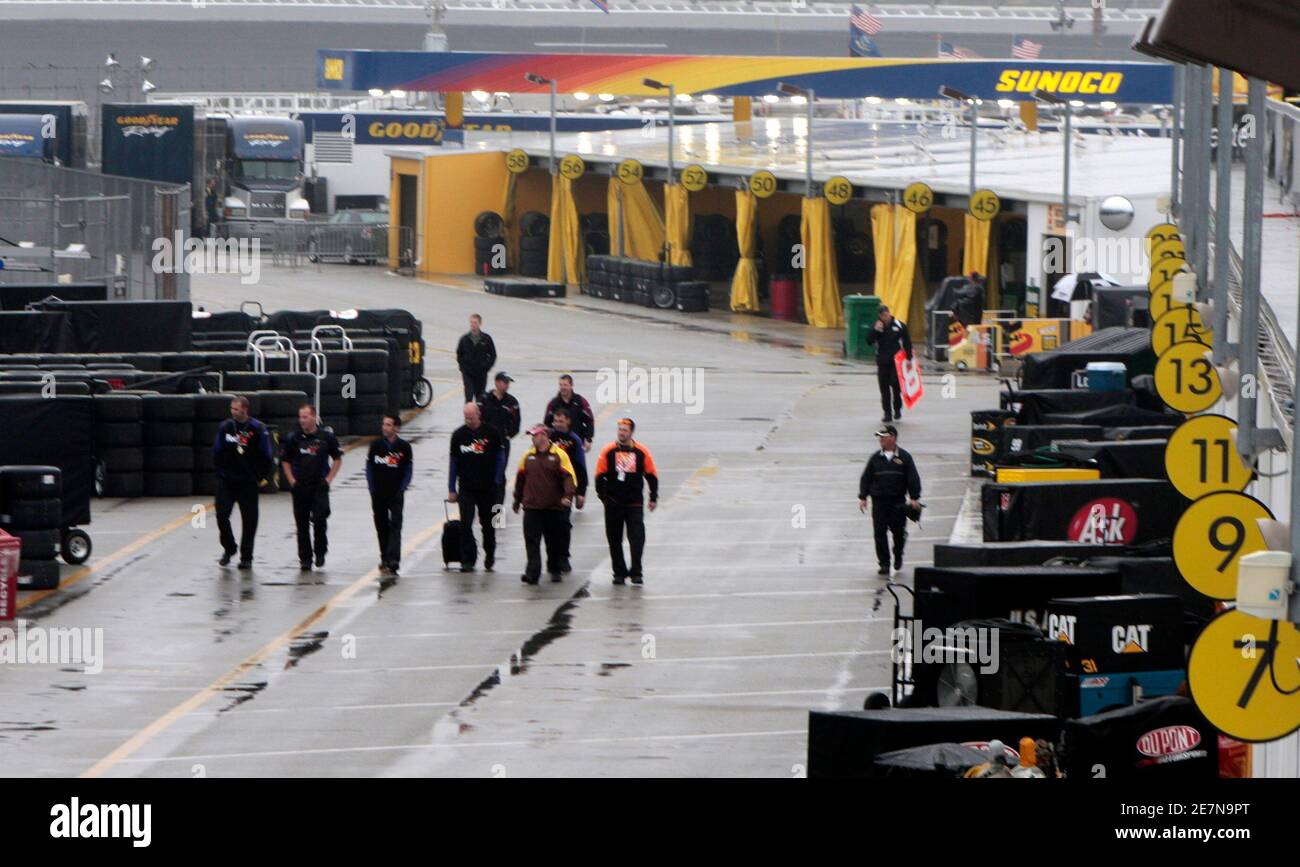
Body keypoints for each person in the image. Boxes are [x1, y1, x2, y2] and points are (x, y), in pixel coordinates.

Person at [594, 418, 659, 585]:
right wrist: (604, 497)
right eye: (620, 429)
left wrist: (653, 496)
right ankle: (619, 572)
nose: (621, 433)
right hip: (613, 503)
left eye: (624, 430)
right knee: (614, 539)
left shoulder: (641, 451)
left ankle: (636, 571)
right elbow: (599, 475)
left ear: (631, 432)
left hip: (634, 503)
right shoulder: (608, 451)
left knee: (637, 538)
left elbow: (651, 474)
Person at [212, 395, 274, 569]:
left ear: (245, 410)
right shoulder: (226, 427)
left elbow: (267, 455)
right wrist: (220, 472)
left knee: (249, 520)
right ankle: (229, 547)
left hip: (248, 482)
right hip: (227, 480)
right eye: (232, 409)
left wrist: (261, 476)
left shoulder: (257, 428)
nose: (233, 412)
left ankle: (247, 556)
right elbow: (217, 451)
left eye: (236, 409)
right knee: (221, 515)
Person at [280, 404, 343, 571]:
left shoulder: (326, 437)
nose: (302, 420)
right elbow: (285, 460)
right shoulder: (294, 438)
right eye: (300, 417)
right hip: (300, 486)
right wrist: (291, 480)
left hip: (319, 486)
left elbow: (337, 459)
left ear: (314, 417)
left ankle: (320, 551)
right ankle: (305, 559)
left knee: (320, 519)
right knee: (301, 525)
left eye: (305, 417)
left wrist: (329, 479)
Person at [512, 425, 576, 585]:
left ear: (545, 436)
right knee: (531, 542)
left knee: (553, 541)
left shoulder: (559, 455)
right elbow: (520, 480)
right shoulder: (528, 456)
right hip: (532, 507)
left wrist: (568, 496)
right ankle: (532, 573)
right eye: (532, 436)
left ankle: (554, 569)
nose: (533, 439)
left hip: (553, 507)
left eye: (535, 435)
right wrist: (517, 500)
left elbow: (569, 478)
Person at [448, 402, 506, 573]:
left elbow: (500, 457)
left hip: (487, 487)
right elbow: (453, 462)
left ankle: (489, 552)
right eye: (466, 418)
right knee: (465, 524)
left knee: (488, 524)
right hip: (466, 487)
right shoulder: (458, 435)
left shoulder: (492, 433)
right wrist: (452, 488)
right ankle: (468, 559)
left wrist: (497, 479)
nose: (469, 421)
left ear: (478, 415)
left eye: (471, 418)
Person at [858, 424, 922, 577]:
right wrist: (863, 497)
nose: (881, 440)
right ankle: (884, 564)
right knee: (879, 533)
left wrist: (914, 498)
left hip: (897, 502)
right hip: (879, 502)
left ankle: (898, 554)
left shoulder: (904, 457)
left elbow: (913, 478)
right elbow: (866, 478)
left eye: (884, 437)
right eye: (880, 438)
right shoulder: (875, 458)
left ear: (893, 438)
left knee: (898, 533)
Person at [366, 414, 414, 575]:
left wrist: (402, 487)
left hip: (396, 493)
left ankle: (394, 559)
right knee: (381, 526)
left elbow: (408, 469)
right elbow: (369, 468)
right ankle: (384, 556)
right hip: (378, 493)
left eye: (388, 425)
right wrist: (371, 488)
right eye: (384, 424)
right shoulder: (376, 445)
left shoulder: (404, 447)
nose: (384, 427)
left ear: (396, 428)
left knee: (396, 526)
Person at [547, 406, 588, 574]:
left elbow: (581, 467)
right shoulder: (548, 437)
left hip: (566, 489)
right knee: (550, 527)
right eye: (556, 421)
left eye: (561, 421)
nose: (558, 424)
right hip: (548, 489)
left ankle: (563, 557)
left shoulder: (574, 440)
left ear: (568, 421)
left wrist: (581, 492)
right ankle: (552, 559)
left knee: (563, 524)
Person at [865, 304, 913, 423]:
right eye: (881, 316)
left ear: (889, 313)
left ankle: (897, 409)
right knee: (884, 388)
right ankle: (887, 413)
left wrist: (909, 359)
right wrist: (875, 330)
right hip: (882, 362)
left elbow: (907, 342)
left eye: (885, 315)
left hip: (896, 363)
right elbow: (869, 341)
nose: (884, 318)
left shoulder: (899, 325)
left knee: (895, 385)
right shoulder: (878, 326)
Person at [480, 371, 521, 510]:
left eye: (508, 382)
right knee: (484, 473)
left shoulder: (512, 402)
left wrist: (508, 435)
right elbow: (477, 418)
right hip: (484, 444)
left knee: (499, 475)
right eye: (505, 382)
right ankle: (484, 504)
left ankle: (497, 510)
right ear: (497, 382)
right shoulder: (484, 399)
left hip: (502, 444)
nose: (507, 385)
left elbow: (516, 423)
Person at [544, 374, 595, 451]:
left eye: (565, 385)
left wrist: (588, 439)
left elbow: (589, 420)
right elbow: (547, 423)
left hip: (577, 441)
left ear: (571, 385)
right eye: (560, 385)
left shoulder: (580, 401)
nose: (562, 387)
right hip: (558, 443)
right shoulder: (553, 403)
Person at [456, 313, 497, 402]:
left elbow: (493, 354)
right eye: (471, 322)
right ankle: (468, 414)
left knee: (480, 397)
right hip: (468, 373)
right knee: (469, 395)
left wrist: (486, 367)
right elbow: (459, 353)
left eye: (475, 323)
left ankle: (479, 415)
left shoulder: (486, 338)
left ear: (479, 324)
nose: (473, 325)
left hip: (481, 373)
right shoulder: (464, 339)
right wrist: (463, 368)